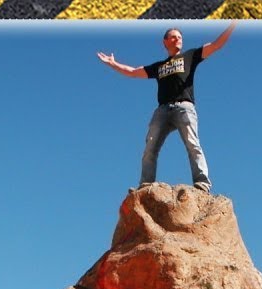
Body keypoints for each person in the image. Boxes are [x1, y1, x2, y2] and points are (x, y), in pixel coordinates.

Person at [97, 22, 237, 193]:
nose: (177, 39)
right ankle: (145, 186)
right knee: (150, 147)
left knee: (193, 145)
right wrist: (113, 64)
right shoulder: (159, 66)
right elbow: (133, 72)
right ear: (165, 42)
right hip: (162, 110)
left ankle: (202, 184)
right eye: (173, 36)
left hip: (184, 107)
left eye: (180, 37)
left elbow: (216, 45)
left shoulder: (190, 56)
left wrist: (233, 25)